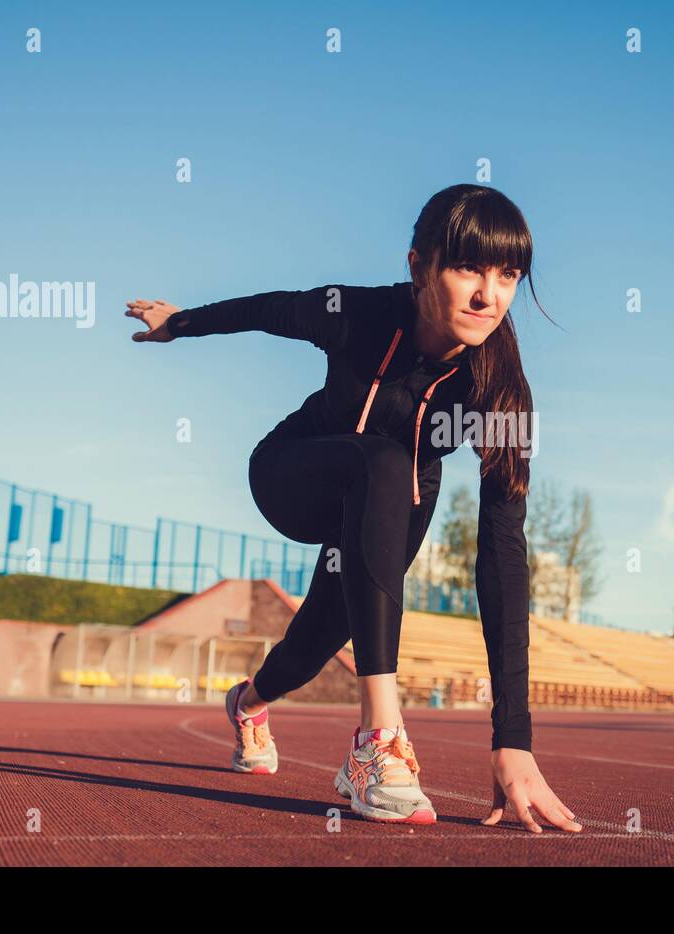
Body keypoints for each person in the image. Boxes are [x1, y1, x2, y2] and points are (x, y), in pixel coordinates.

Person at [126, 184, 580, 834]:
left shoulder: (501, 390)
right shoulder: (360, 314)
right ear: (419, 265)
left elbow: (503, 552)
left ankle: (248, 706)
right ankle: (377, 743)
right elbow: (269, 308)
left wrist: (513, 737)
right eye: (467, 268)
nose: (490, 295)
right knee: (383, 459)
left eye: (507, 274)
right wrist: (181, 322)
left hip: (391, 510)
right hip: (297, 473)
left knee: (310, 647)